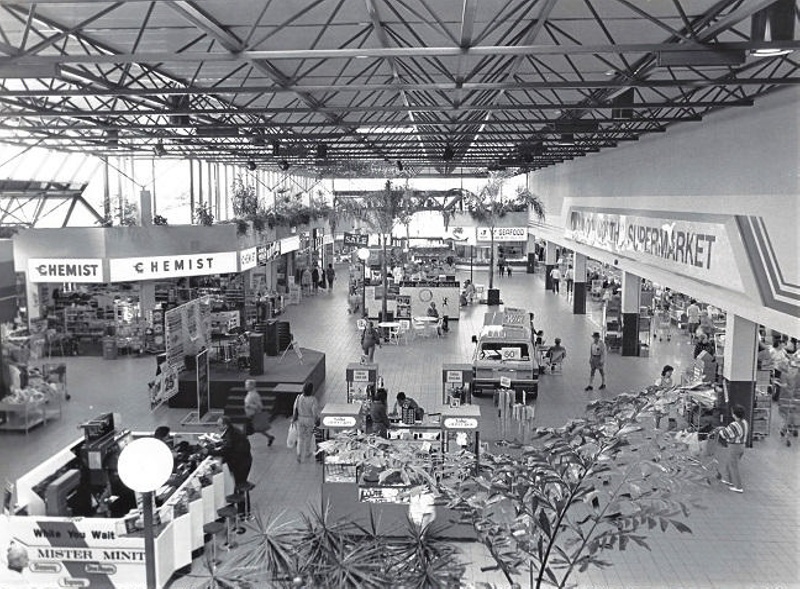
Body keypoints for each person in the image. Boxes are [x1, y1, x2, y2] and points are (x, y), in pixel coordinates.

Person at [212, 416, 253, 492]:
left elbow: (226, 450)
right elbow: (228, 443)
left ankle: (238, 496)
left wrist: (210, 452)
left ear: (225, 425)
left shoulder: (231, 434)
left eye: (219, 425)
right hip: (244, 460)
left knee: (237, 483)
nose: (217, 427)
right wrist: (217, 444)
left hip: (240, 463)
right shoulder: (233, 430)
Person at [716, 404, 749, 493]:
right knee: (729, 462)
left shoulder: (734, 424)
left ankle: (738, 487)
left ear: (734, 414)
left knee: (733, 466)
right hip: (742, 446)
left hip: (734, 447)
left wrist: (720, 430)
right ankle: (728, 479)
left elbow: (725, 434)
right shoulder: (745, 422)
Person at [292, 382, 320, 463]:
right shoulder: (313, 399)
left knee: (300, 437)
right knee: (308, 436)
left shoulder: (299, 397)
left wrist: (294, 418)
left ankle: (299, 454)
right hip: (309, 420)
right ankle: (307, 452)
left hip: (300, 419)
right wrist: (317, 420)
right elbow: (314, 412)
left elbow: (295, 408)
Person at [243, 379, 275, 446]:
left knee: (246, 431)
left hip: (252, 416)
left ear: (252, 386)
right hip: (249, 415)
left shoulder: (255, 395)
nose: (245, 386)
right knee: (258, 429)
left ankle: (243, 444)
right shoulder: (250, 393)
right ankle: (270, 437)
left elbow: (260, 406)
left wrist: (249, 406)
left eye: (247, 385)